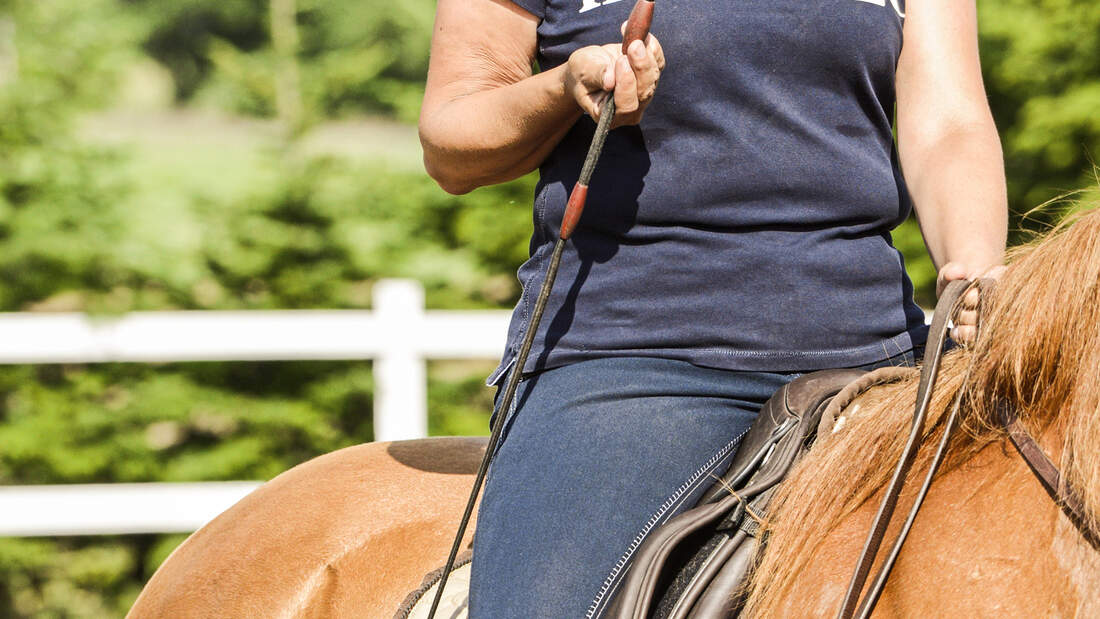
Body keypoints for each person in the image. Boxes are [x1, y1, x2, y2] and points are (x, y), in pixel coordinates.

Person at [418, 0, 1007, 616]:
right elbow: (452, 145)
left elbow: (949, 122)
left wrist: (973, 266)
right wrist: (565, 90)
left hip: (877, 355)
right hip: (626, 360)